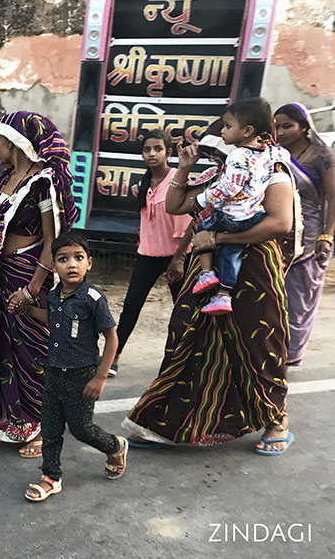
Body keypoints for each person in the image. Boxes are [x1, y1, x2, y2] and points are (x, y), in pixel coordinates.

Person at [123, 113, 298, 456]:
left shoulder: (271, 170)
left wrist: (217, 236)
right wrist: (185, 169)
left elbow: (280, 223)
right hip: (207, 272)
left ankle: (277, 420)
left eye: (212, 149)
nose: (210, 156)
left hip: (255, 271)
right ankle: (167, 421)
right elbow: (175, 206)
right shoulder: (215, 176)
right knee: (187, 335)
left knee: (258, 342)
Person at [0, 111, 79, 457]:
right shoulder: (6, 178)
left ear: (18, 143)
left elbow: (53, 241)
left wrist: (33, 289)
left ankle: (39, 427)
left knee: (29, 352)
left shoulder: (42, 183)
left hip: (25, 275)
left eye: (1, 141)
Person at [23, 232, 128, 502]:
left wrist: (101, 377)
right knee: (50, 428)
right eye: (63, 259)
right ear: (54, 266)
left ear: (89, 263)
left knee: (81, 429)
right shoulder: (54, 296)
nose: (71, 264)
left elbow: (111, 337)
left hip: (83, 375)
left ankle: (115, 445)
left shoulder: (93, 298)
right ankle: (50, 477)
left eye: (78, 258)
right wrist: (28, 311)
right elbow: (53, 318)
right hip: (54, 373)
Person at [190, 98, 290, 316]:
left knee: (203, 225)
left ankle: (207, 275)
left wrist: (204, 200)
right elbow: (174, 206)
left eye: (227, 127)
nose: (223, 133)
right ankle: (223, 294)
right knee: (229, 255)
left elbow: (282, 222)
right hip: (249, 220)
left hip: (253, 258)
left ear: (247, 131)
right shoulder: (270, 155)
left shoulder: (241, 157)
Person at [110, 130, 193, 377]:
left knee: (183, 310)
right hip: (147, 255)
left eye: (157, 149)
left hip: (176, 256)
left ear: (168, 151)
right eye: (147, 150)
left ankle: (181, 361)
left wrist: (178, 259)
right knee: (131, 307)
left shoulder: (178, 179)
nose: (151, 154)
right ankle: (113, 356)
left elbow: (189, 223)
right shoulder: (144, 183)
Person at [274, 102, 335, 366]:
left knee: (299, 298)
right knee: (272, 295)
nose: (281, 132)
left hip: (311, 240)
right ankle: (268, 349)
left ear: (304, 127)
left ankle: (291, 355)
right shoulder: (274, 154)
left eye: (287, 126)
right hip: (277, 233)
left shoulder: (322, 155)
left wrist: (327, 235)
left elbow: (334, 198)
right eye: (276, 126)